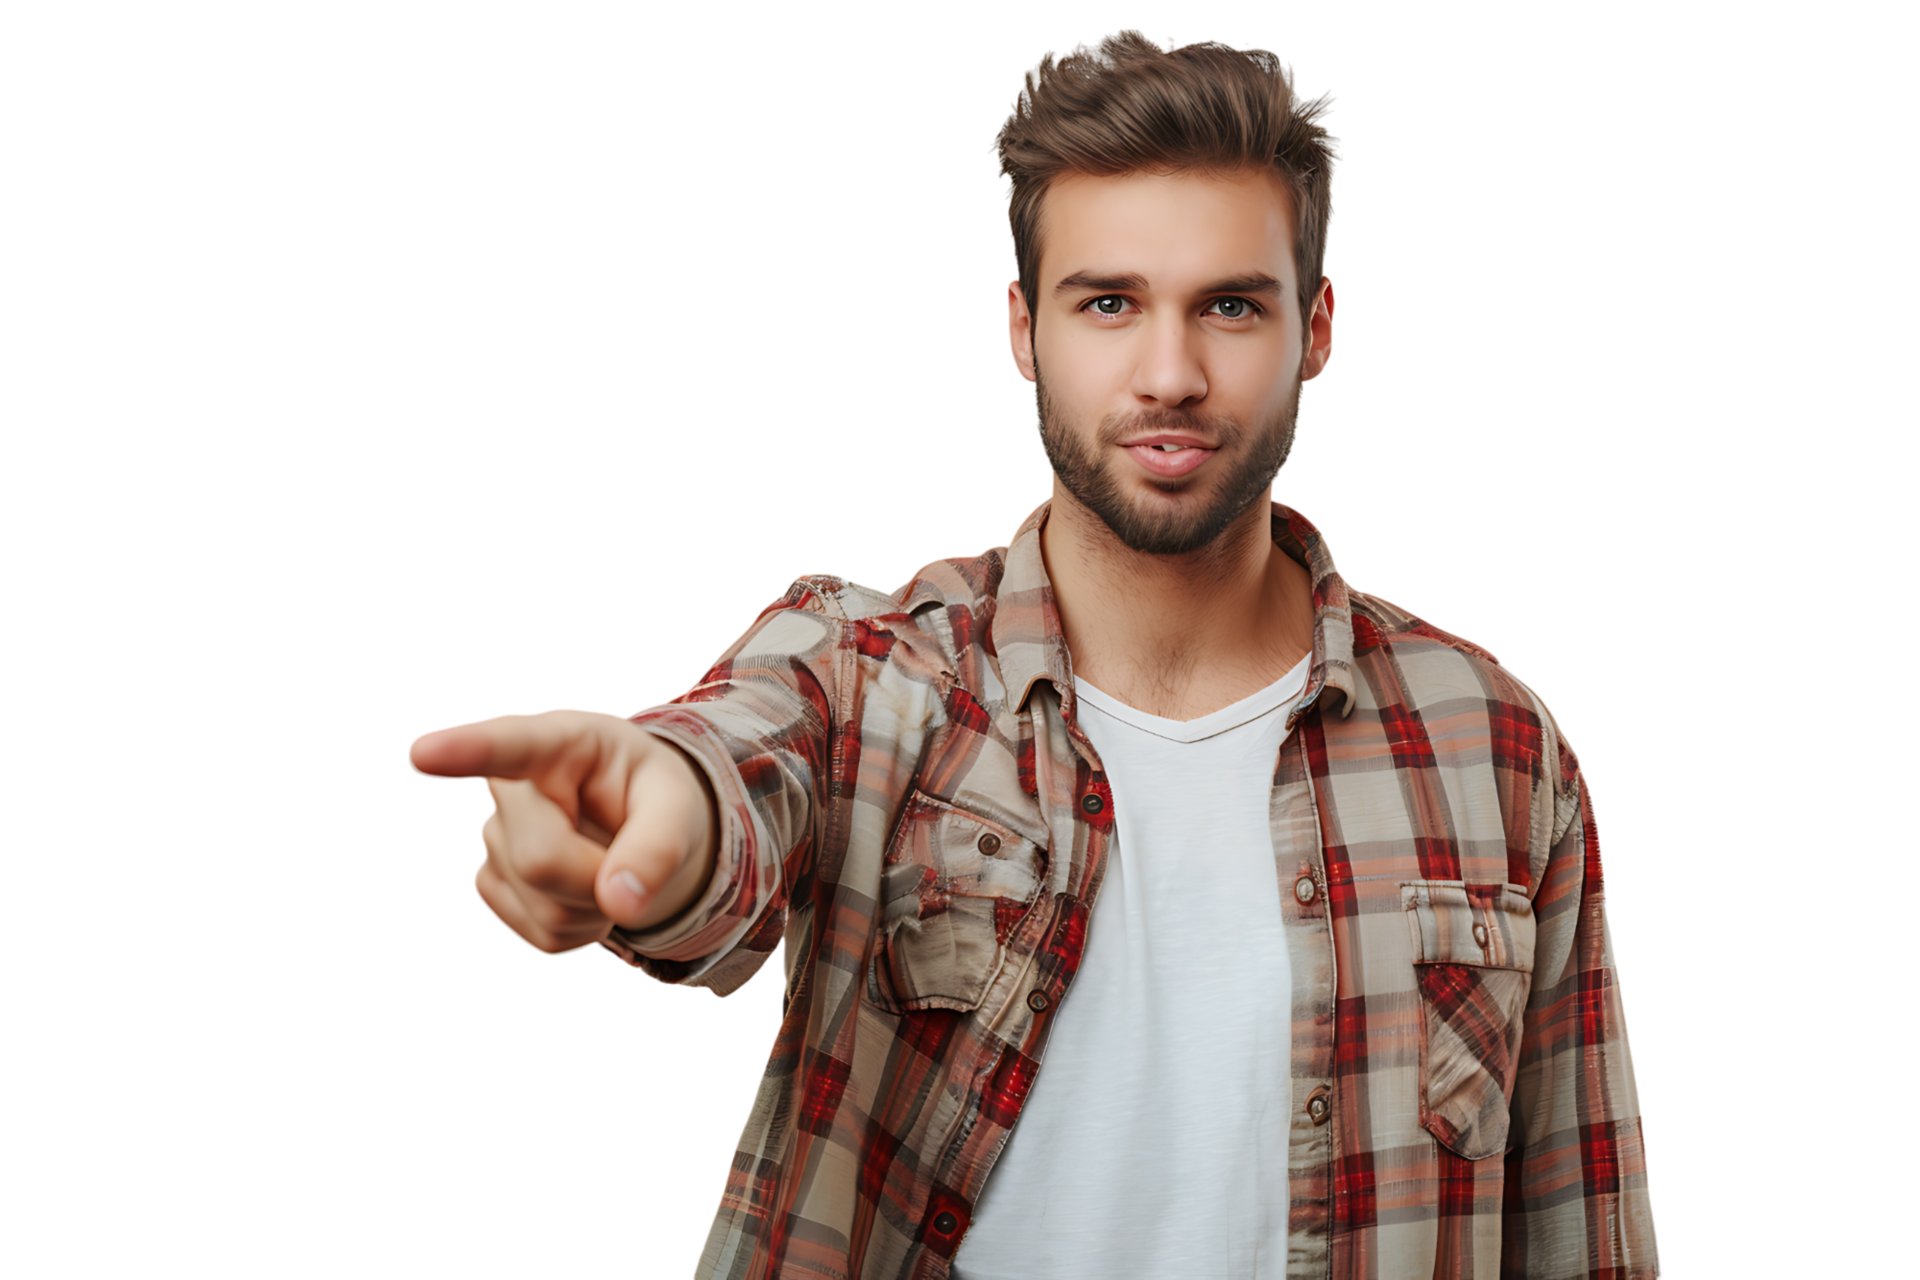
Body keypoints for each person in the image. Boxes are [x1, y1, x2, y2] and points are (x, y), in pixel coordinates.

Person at [408, 30, 1660, 1279]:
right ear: (1022, 329)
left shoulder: (1496, 741)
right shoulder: (868, 670)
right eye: (1107, 303)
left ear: (1317, 328)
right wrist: (658, 829)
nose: (1169, 375)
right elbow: (726, 778)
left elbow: (1587, 1228)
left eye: (1230, 305)